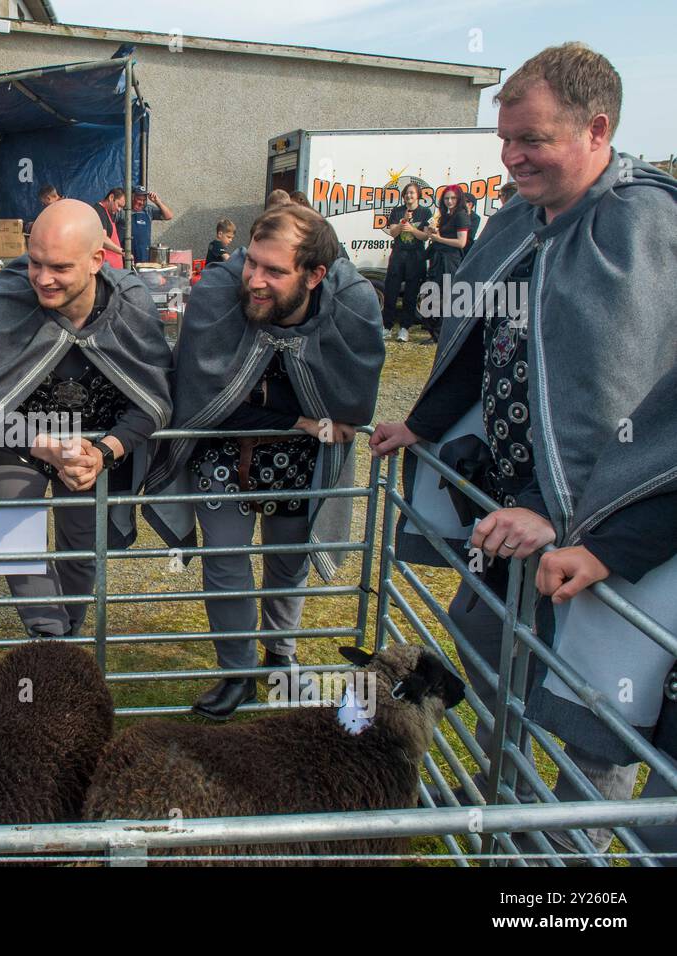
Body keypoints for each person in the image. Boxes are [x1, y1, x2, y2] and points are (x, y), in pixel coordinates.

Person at [370, 43, 677, 854]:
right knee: (487, 643)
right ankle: (509, 787)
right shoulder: (521, 220)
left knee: (600, 697)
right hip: (510, 510)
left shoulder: (643, 228)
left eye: (531, 140)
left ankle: (561, 854)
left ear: (596, 129)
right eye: (504, 139)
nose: (511, 157)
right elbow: (476, 339)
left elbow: (627, 399)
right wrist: (425, 423)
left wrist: (560, 512)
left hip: (622, 530)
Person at [146, 204, 384, 719]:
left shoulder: (352, 303)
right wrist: (297, 418)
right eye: (251, 262)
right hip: (222, 453)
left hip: (298, 462)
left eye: (274, 271)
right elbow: (200, 393)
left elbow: (350, 406)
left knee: (287, 559)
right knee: (226, 560)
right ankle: (237, 673)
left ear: (315, 275)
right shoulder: (216, 292)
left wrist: (300, 418)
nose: (254, 279)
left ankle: (281, 658)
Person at [0, 199, 173, 638]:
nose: (42, 278)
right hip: (20, 440)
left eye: (59, 267)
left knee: (82, 548)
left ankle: (66, 637)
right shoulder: (9, 296)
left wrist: (104, 452)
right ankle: (51, 637)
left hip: (91, 445)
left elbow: (154, 398)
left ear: (96, 261)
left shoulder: (129, 303)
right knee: (14, 527)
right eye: (35, 263)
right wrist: (43, 446)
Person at [380, 181, 431, 343]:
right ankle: (386, 326)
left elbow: (425, 236)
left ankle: (404, 328)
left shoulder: (425, 212)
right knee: (391, 292)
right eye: (407, 193)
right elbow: (393, 233)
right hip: (398, 256)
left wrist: (413, 229)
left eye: (412, 193)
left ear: (418, 196)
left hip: (415, 257)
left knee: (410, 293)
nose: (409, 196)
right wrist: (403, 222)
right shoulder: (397, 211)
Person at [423, 183, 471, 287]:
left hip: (450, 261)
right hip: (439, 260)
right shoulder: (447, 215)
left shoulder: (461, 215)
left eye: (453, 198)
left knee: (446, 295)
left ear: (459, 199)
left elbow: (461, 243)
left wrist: (439, 239)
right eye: (446, 198)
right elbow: (445, 236)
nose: (449, 201)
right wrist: (435, 232)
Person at [124, 187, 174, 264]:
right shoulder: (124, 211)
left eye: (144, 200)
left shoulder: (148, 210)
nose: (142, 203)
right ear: (132, 197)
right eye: (139, 199)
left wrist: (158, 202)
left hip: (145, 256)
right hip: (127, 255)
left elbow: (169, 216)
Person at [92, 187, 127, 269]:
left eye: (122, 207)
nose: (119, 210)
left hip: (113, 271)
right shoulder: (99, 211)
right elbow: (103, 239)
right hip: (107, 271)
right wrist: (122, 251)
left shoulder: (109, 213)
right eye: (118, 205)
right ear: (111, 197)